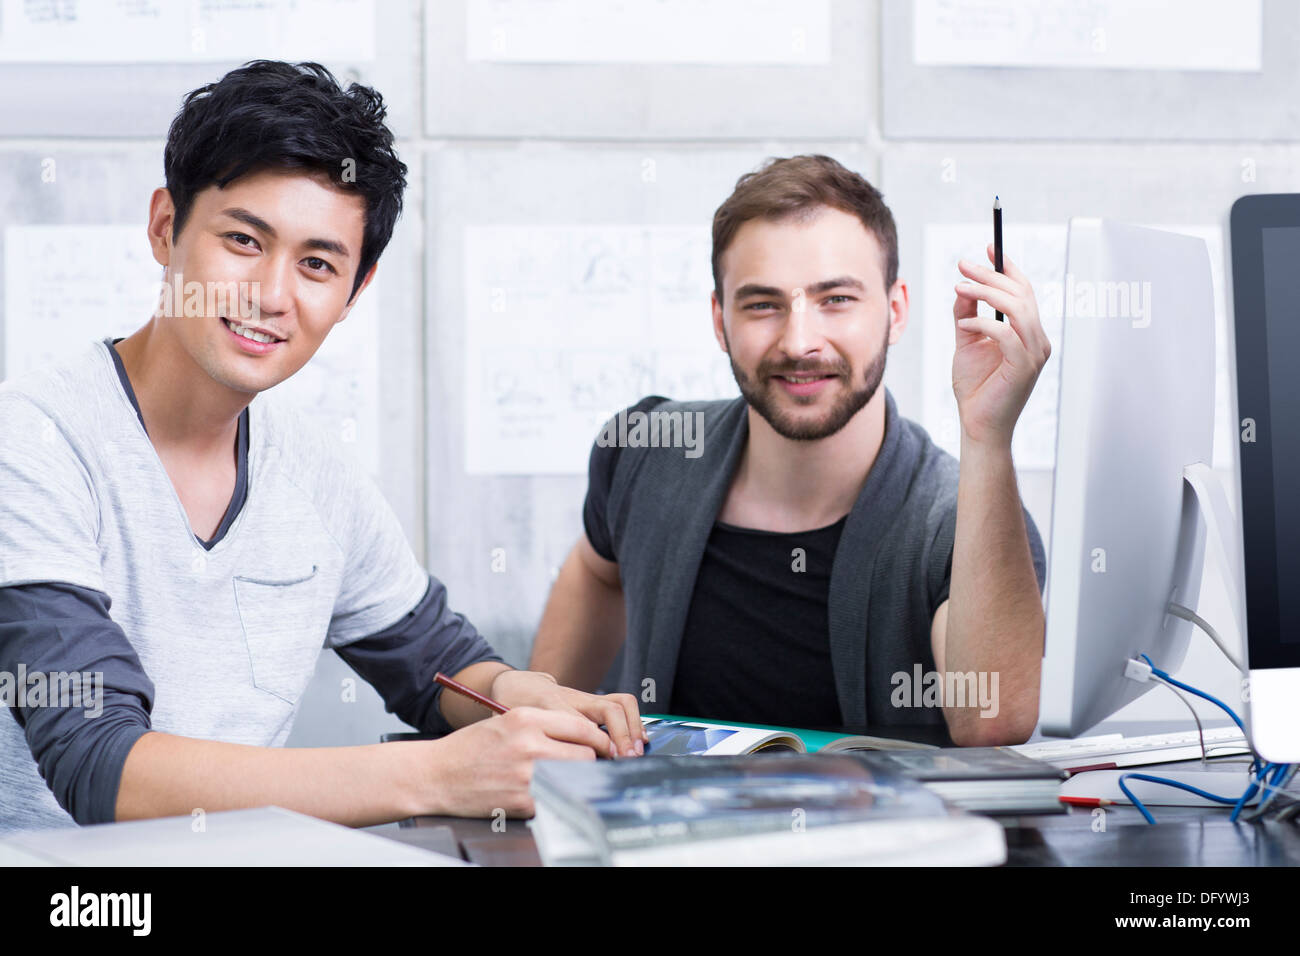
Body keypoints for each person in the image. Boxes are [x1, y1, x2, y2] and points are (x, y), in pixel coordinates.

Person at [0, 60, 645, 836]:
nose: (272, 295)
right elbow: (101, 765)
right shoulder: (33, 441)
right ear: (166, 228)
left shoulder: (313, 470)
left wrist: (512, 691)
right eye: (243, 239)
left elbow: (430, 659)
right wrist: (439, 773)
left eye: (316, 264)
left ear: (355, 290)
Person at [530, 154, 1050, 746]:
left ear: (896, 311)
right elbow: (598, 571)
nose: (800, 342)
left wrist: (988, 438)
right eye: (762, 305)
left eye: (836, 300)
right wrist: (541, 731)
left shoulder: (966, 523)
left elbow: (993, 723)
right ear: (720, 321)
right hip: (668, 833)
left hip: (880, 838)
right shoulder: (645, 454)